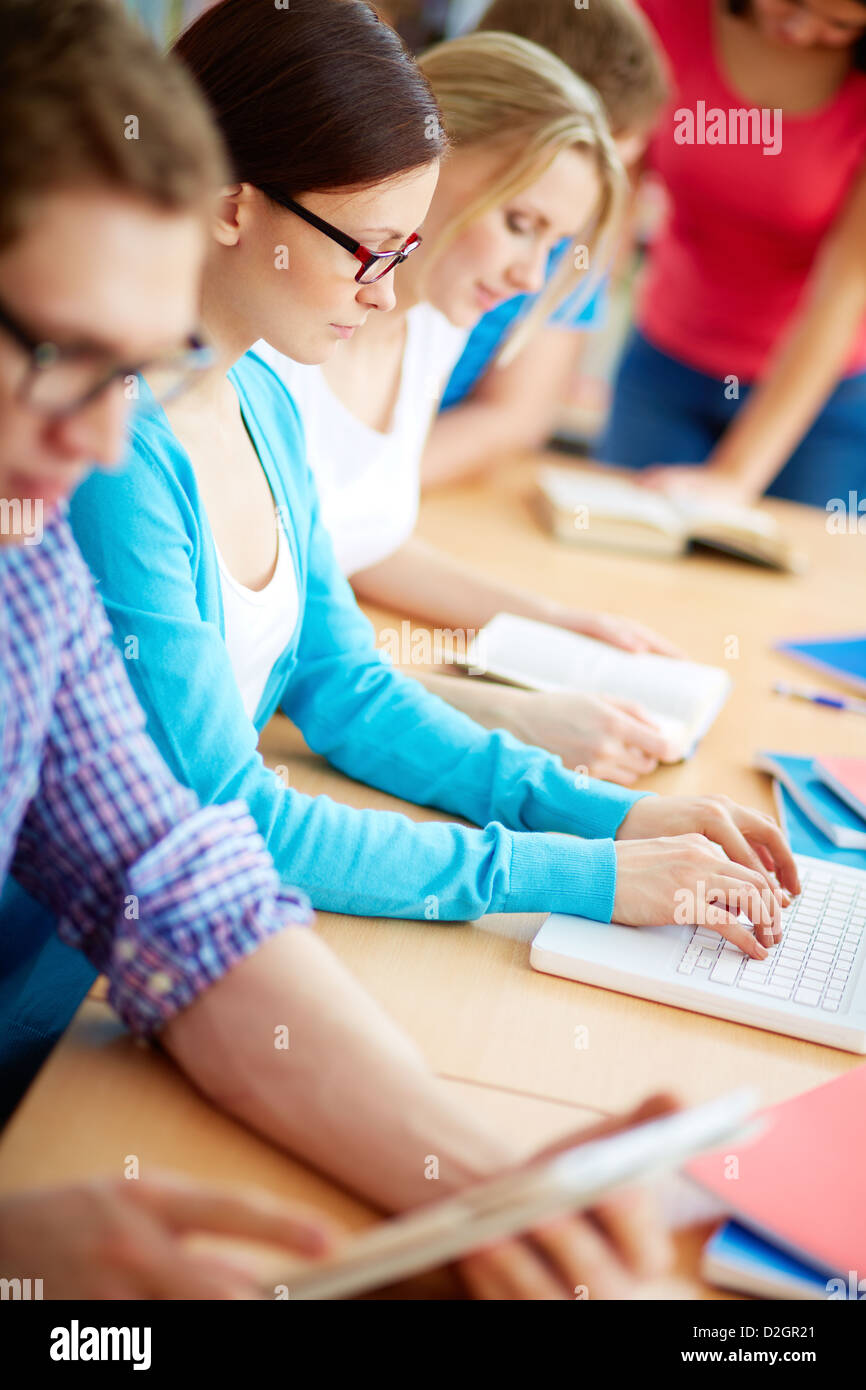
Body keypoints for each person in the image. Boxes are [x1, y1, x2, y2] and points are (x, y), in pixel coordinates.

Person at [0, 0, 677, 1301]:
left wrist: (480, 1187)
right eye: (64, 359)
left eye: (130, 367)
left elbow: (177, 880)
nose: (96, 441)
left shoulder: (27, 557)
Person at [70, 0, 798, 948]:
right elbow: (239, 816)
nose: (382, 293)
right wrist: (590, 873)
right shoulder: (113, 455)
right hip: (67, 988)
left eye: (402, 252)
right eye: (367, 250)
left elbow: (346, 689)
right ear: (230, 208)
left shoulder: (259, 399)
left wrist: (606, 816)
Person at [259, 23, 676, 786]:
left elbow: (358, 540)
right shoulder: (280, 335)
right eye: (520, 224)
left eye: (553, 245)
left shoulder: (433, 320)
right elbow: (252, 649)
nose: (527, 277)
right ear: (426, 154)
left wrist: (550, 625)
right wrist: (498, 712)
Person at [597, 0, 866, 509]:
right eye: (791, 1)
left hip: (827, 399)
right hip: (665, 363)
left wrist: (735, 478)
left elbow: (845, 290)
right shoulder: (665, 15)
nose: (800, 28)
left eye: (841, 24)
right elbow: (614, 198)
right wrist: (556, 355)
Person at [426, 0, 668, 480]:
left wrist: (375, 496)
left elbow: (516, 414)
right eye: (520, 220)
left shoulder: (570, 245)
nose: (532, 276)